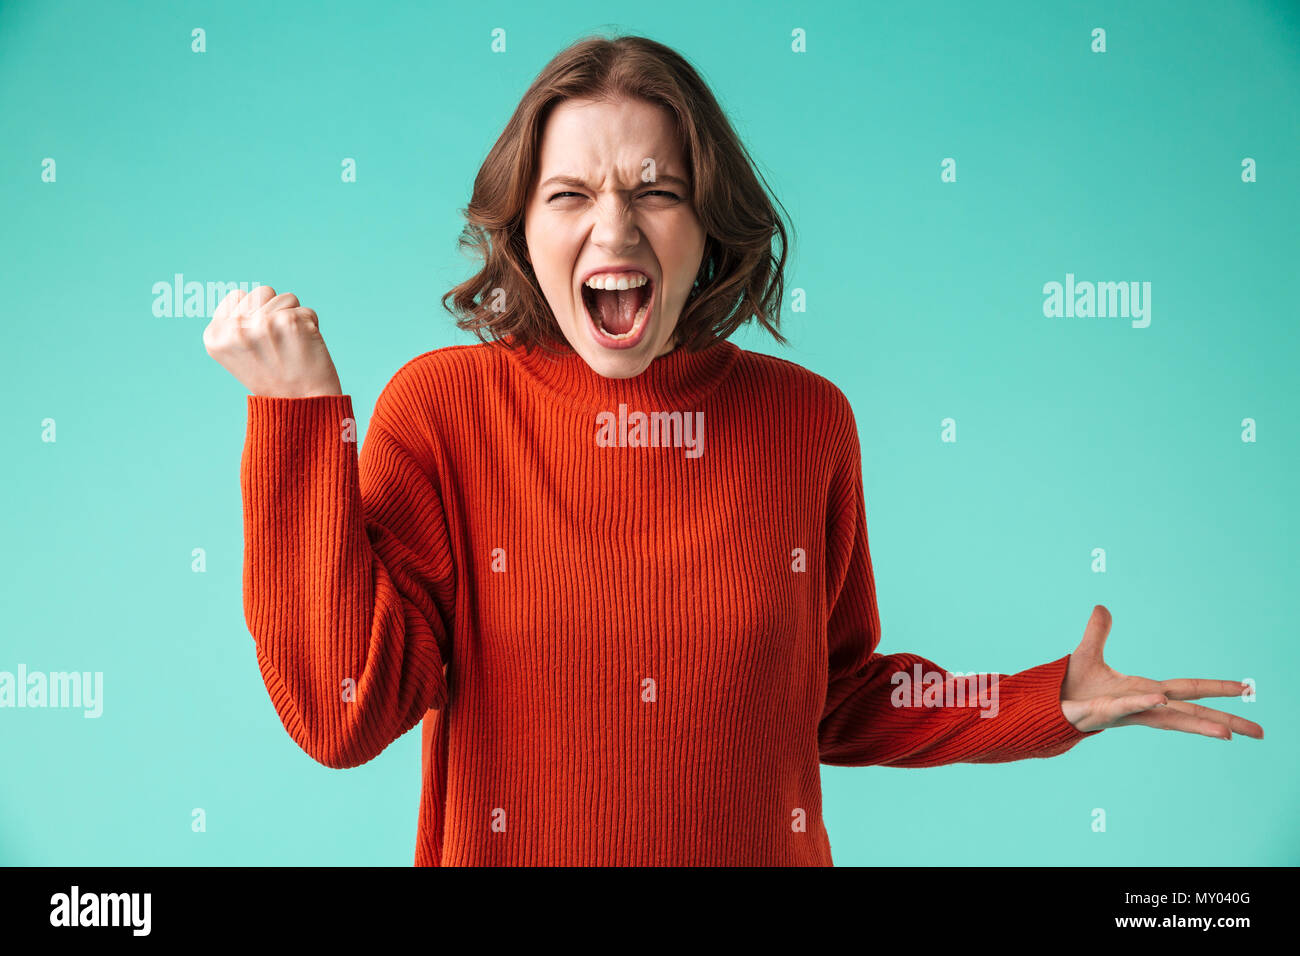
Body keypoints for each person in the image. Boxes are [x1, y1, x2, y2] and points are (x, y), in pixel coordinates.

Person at [203, 34, 1263, 866]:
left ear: (708, 226)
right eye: (569, 194)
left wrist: (1045, 699)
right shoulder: (444, 408)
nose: (612, 226)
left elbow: (838, 695)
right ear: (520, 228)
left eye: (654, 190)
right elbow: (342, 710)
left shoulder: (805, 420)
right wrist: (300, 419)